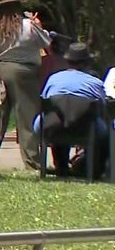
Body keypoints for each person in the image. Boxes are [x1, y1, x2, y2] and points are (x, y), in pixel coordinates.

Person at [0, 0, 51, 169]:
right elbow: (47, 43)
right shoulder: (29, 25)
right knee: (27, 118)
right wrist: (39, 26)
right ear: (18, 6)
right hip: (25, 72)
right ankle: (32, 162)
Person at [36, 42, 112, 177]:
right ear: (87, 63)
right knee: (103, 125)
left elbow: (46, 100)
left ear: (68, 61)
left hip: (52, 126)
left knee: (57, 116)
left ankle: (61, 165)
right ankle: (92, 167)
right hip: (86, 128)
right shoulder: (95, 83)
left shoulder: (54, 79)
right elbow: (102, 107)